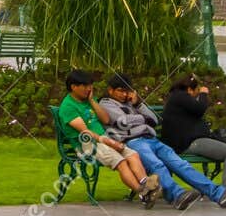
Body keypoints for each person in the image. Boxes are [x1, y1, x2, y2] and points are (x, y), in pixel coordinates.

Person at [98, 73, 226, 208]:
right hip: (134, 143)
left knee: (182, 165)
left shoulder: (131, 104)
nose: (124, 94)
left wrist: (138, 104)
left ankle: (218, 194)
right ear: (110, 90)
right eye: (120, 91)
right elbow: (123, 122)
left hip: (152, 140)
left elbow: (154, 119)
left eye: (127, 91)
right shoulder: (106, 104)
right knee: (157, 166)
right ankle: (177, 196)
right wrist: (143, 119)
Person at [56, 69, 158, 203]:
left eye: (90, 85)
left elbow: (105, 120)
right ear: (74, 87)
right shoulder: (68, 107)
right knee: (121, 162)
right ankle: (143, 193)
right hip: (87, 144)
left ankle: (146, 183)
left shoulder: (87, 101)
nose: (89, 89)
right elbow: (86, 133)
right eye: (85, 86)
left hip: (104, 139)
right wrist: (111, 143)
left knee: (133, 155)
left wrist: (92, 101)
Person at [160, 74, 226, 195]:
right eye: (196, 90)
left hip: (194, 139)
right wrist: (204, 94)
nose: (197, 93)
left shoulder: (178, 98)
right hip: (188, 143)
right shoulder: (181, 97)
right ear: (190, 89)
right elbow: (200, 108)